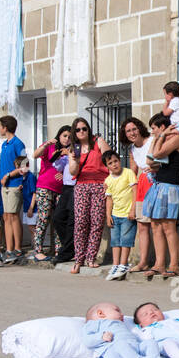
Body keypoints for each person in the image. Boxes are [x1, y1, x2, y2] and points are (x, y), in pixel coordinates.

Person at [142, 113, 179, 278]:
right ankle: (159, 264)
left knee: (169, 227)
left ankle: (174, 265)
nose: (152, 132)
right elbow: (149, 160)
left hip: (170, 188)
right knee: (156, 226)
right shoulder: (164, 139)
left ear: (162, 127)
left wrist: (160, 136)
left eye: (154, 128)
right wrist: (159, 137)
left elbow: (158, 155)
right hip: (159, 187)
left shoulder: (177, 139)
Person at [68, 116, 109, 273]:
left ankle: (91, 257)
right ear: (74, 132)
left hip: (99, 184)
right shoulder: (74, 149)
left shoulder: (98, 142)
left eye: (84, 128)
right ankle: (79, 259)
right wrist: (75, 160)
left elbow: (109, 160)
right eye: (78, 129)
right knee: (80, 222)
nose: (81, 131)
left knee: (97, 221)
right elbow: (73, 171)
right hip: (82, 185)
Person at [31, 125, 71, 262]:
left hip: (61, 189)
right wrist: (46, 145)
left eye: (70, 136)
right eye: (65, 135)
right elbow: (35, 155)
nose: (67, 139)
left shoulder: (71, 151)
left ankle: (58, 249)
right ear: (59, 135)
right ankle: (38, 250)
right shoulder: (50, 146)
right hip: (45, 187)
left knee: (58, 219)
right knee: (44, 217)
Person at [121, 118, 155, 274]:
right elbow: (132, 174)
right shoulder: (132, 150)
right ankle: (143, 262)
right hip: (142, 184)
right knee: (142, 226)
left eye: (134, 129)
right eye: (128, 131)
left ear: (140, 128)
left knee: (156, 225)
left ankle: (160, 262)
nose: (132, 133)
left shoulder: (152, 141)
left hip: (155, 182)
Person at [83, 302, 159, 358]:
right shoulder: (95, 324)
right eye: (117, 310)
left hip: (134, 348)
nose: (122, 314)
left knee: (150, 342)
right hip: (116, 353)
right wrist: (101, 336)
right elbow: (87, 341)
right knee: (121, 344)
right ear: (100, 313)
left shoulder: (121, 324)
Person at [0, 115, 27, 264]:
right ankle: (9, 249)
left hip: (14, 183)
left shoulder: (18, 143)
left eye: (0, 126)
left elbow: (24, 164)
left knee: (14, 216)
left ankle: (17, 248)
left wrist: (9, 175)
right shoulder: (4, 144)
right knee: (7, 216)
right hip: (5, 185)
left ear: (5, 127)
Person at [102, 149, 137, 281]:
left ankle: (123, 264)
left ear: (120, 160)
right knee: (115, 241)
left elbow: (135, 191)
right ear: (107, 166)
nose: (114, 164)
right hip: (115, 215)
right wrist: (108, 215)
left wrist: (133, 209)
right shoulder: (108, 180)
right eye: (110, 163)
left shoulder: (128, 173)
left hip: (127, 214)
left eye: (116, 161)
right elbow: (109, 199)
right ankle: (115, 265)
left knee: (126, 240)